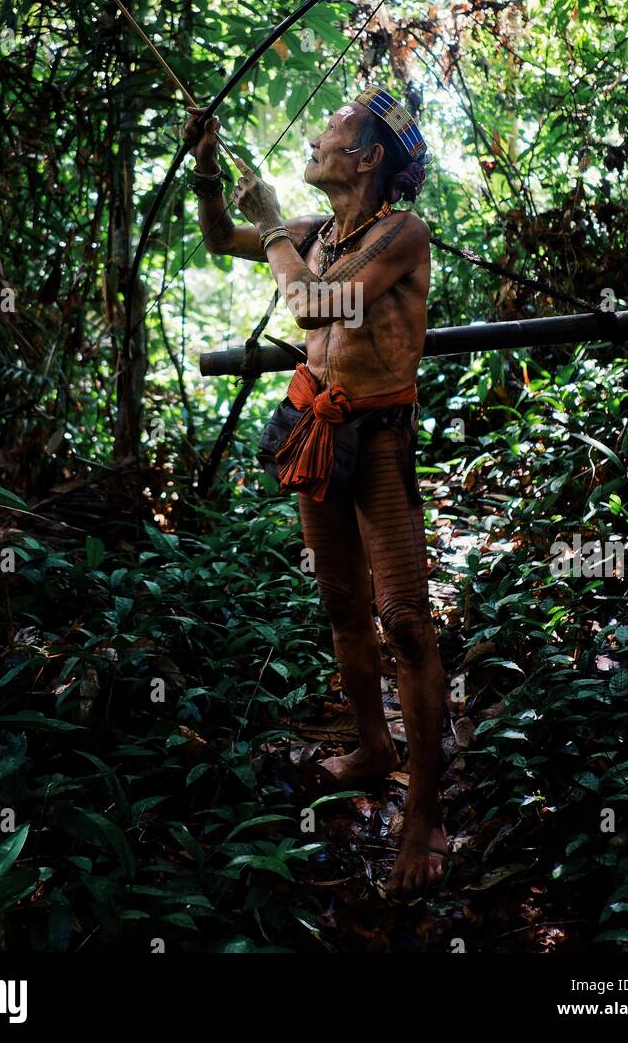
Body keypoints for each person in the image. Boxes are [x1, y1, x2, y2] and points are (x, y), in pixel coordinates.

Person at [183, 87, 448, 898]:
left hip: (379, 438)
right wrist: (205, 169)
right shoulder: (318, 234)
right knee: (341, 602)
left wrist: (271, 230)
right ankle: (373, 745)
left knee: (404, 620)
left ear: (368, 158)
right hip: (319, 428)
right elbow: (221, 234)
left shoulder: (401, 232)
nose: (318, 133)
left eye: (334, 128)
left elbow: (313, 302)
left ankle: (427, 816)